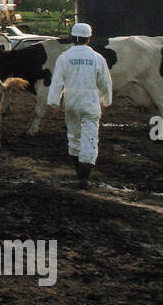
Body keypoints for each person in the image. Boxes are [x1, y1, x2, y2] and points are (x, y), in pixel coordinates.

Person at [46, 22, 113, 185]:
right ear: (88, 38)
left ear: (72, 37)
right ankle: (84, 177)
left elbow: (57, 82)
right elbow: (105, 82)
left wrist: (54, 103)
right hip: (91, 104)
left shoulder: (64, 57)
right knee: (90, 139)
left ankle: (78, 173)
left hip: (71, 103)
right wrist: (106, 101)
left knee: (74, 136)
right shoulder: (97, 58)